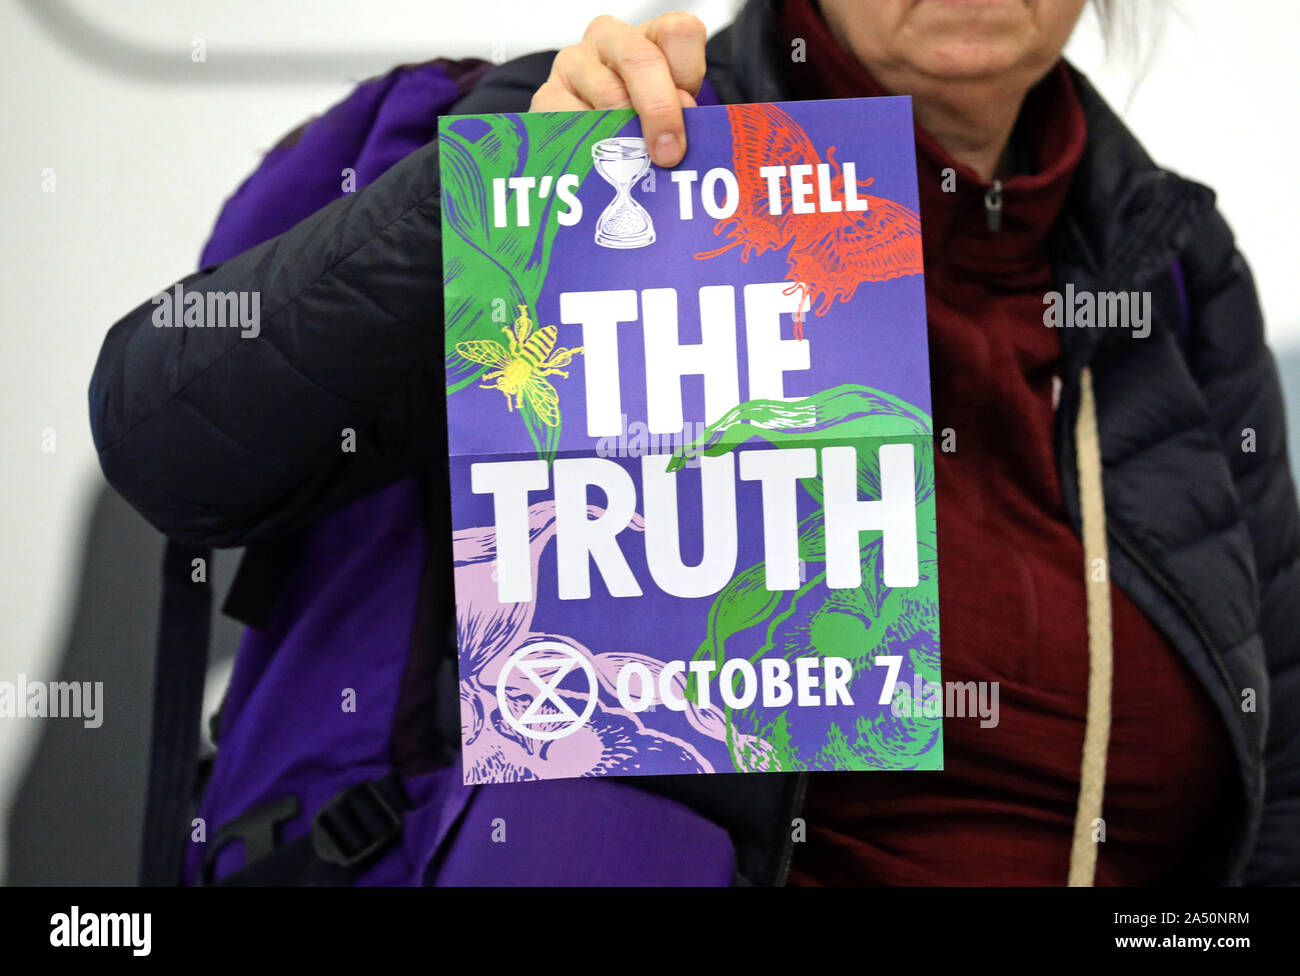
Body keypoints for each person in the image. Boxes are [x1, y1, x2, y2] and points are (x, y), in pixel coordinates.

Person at [90, 0, 1299, 886]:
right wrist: (484, 205)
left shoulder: (1170, 273)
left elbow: (1278, 760)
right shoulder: (599, 145)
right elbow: (171, 445)